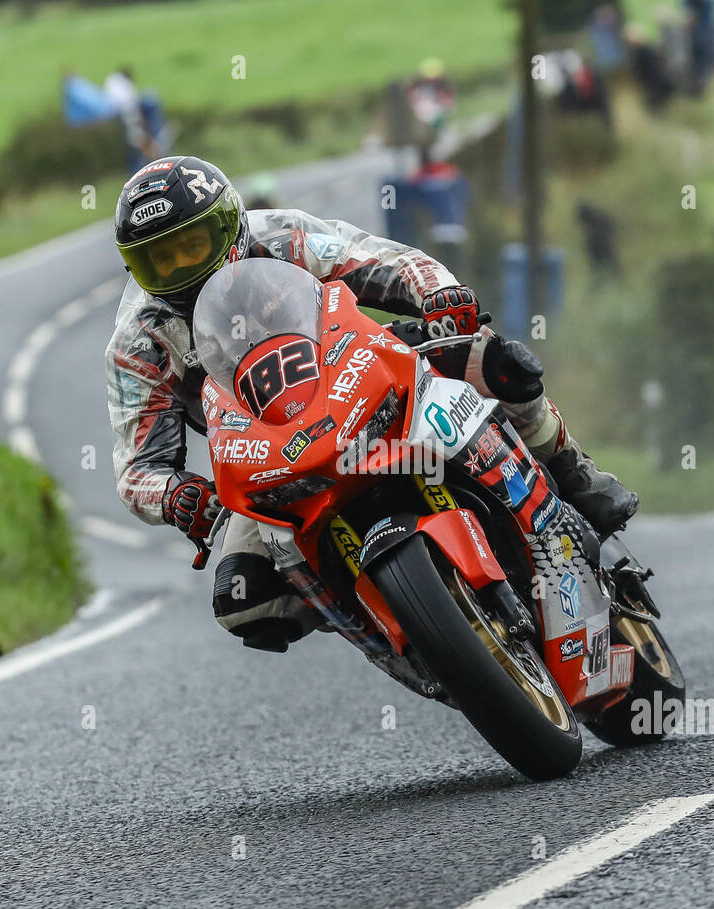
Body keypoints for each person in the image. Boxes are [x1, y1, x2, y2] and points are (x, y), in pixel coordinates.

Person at [105, 156, 638, 651]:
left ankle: (574, 475)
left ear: (228, 229)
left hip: (358, 362)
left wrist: (439, 294)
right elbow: (136, 469)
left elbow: (382, 258)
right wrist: (175, 497)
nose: (183, 269)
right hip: (267, 446)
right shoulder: (138, 341)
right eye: (162, 261)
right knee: (244, 601)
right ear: (138, 270)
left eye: (192, 247)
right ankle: (385, 631)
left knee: (500, 362)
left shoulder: (282, 237)